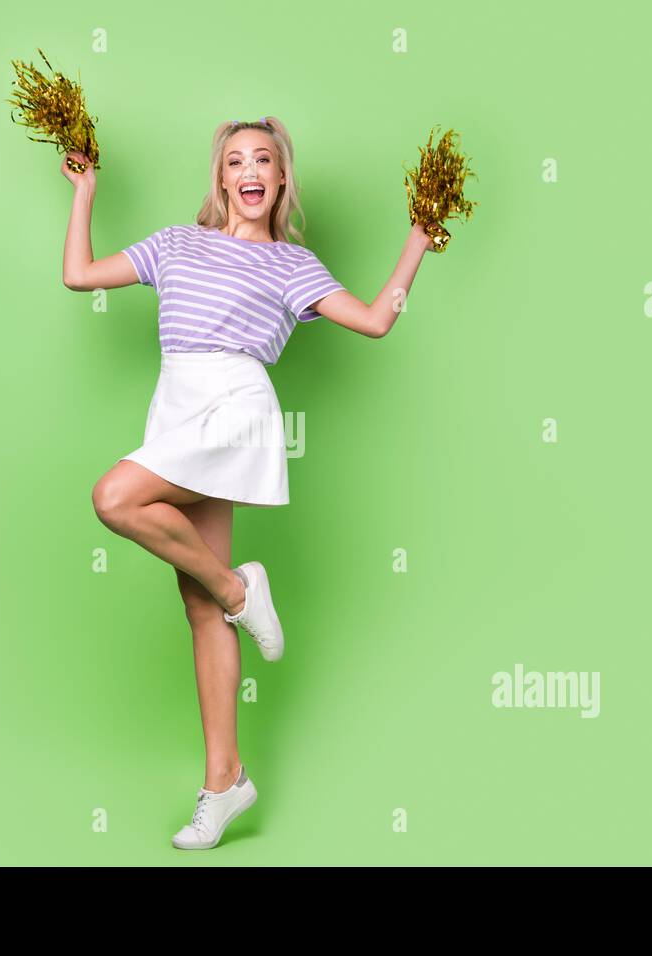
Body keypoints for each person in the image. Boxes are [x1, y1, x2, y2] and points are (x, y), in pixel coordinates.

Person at [60, 116, 435, 849]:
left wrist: (417, 242)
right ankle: (224, 784)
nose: (250, 169)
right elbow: (79, 274)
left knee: (115, 497)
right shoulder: (177, 243)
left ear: (281, 177)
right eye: (236, 160)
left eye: (264, 158)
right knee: (201, 605)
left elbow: (372, 321)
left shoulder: (294, 266)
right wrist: (85, 192)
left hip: (235, 407)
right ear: (221, 179)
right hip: (175, 404)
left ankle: (241, 590)